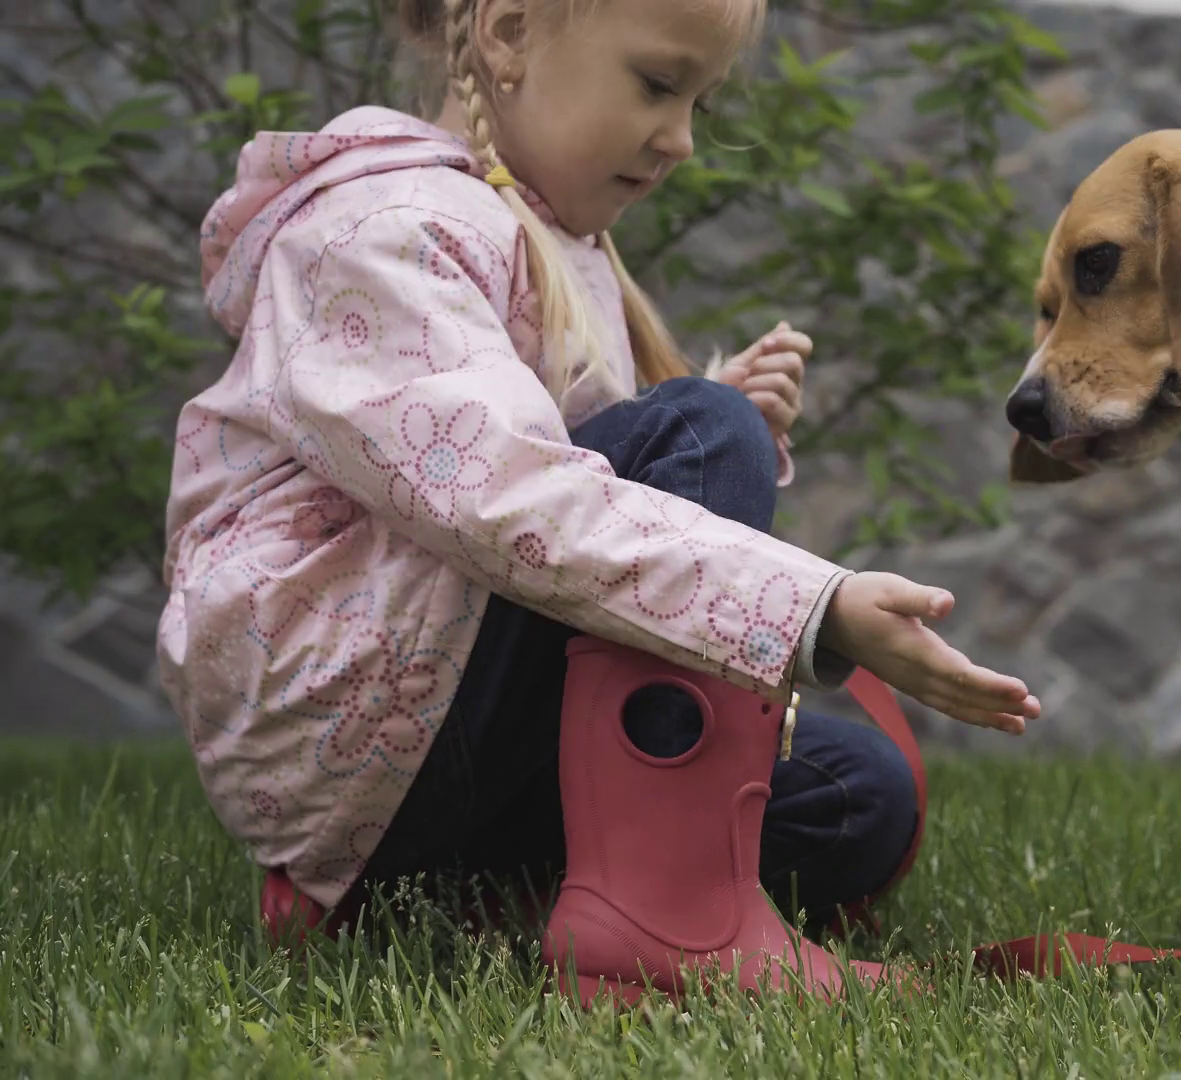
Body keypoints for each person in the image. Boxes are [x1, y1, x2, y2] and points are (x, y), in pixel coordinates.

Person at [159, 0, 1040, 999]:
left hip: (447, 712)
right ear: (507, 32)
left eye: (701, 100)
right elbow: (515, 504)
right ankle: (665, 922)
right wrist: (801, 589)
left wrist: (717, 420)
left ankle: (490, 899)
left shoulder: (541, 234)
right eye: (660, 86)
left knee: (861, 797)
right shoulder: (384, 229)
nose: (683, 139)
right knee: (701, 433)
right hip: (354, 727)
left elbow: (544, 475)